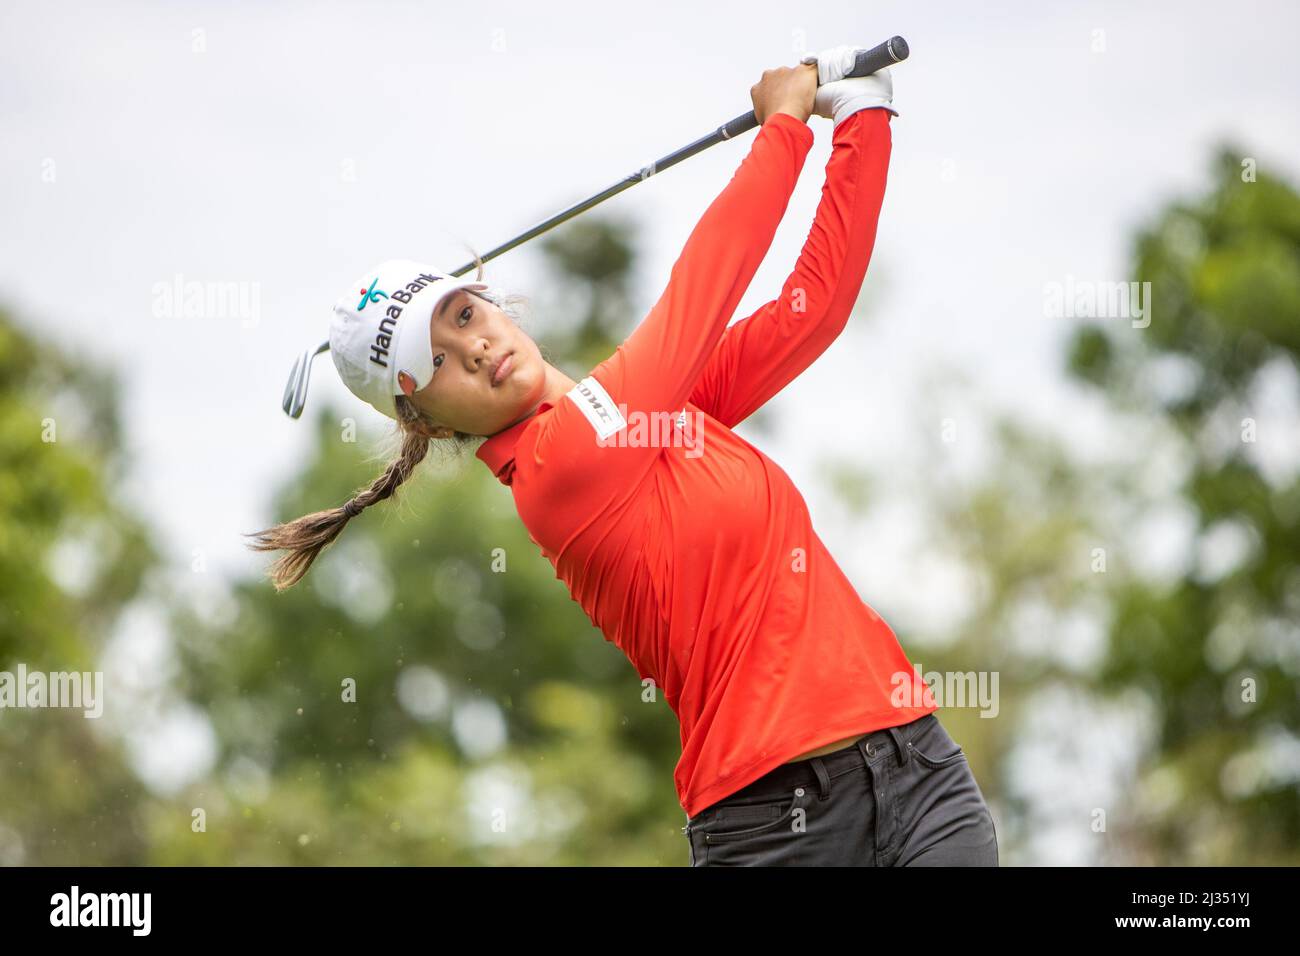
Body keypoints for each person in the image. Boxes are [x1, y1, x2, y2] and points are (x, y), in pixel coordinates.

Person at [249, 46, 998, 866]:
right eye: (434, 364)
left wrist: (863, 120)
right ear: (423, 417)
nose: (474, 349)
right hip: (776, 825)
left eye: (462, 314)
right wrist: (783, 129)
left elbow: (807, 311)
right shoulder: (560, 469)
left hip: (915, 765)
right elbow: (705, 284)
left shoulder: (660, 418)